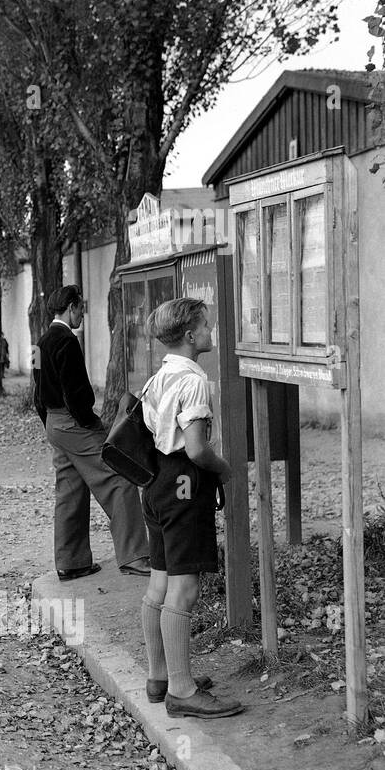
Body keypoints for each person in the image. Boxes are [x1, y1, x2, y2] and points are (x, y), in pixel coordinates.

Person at [139, 298, 242, 719]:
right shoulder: (194, 380)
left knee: (159, 582)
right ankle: (182, 691)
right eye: (206, 325)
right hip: (184, 484)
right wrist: (227, 471)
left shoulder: (158, 377)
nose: (211, 330)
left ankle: (159, 676)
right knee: (186, 589)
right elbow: (197, 448)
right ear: (189, 334)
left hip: (156, 485)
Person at [33, 285, 151, 580]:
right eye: (80, 309)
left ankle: (71, 562)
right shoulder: (68, 342)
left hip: (54, 424)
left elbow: (37, 393)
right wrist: (90, 422)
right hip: (74, 424)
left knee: (70, 489)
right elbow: (76, 393)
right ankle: (135, 556)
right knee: (120, 478)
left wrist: (50, 424)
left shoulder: (41, 343)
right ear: (71, 307)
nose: (82, 316)